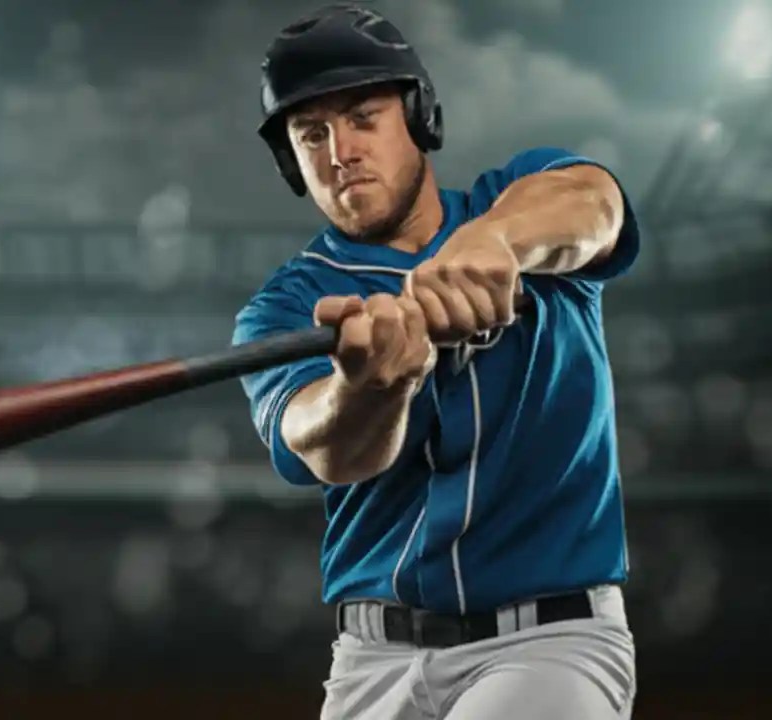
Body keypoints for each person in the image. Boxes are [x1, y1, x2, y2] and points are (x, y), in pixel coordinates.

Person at [232, 5, 641, 719]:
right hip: (371, 661)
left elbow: (593, 205)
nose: (340, 151)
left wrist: (497, 240)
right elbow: (323, 447)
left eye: (363, 117)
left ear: (418, 116)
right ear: (291, 160)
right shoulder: (285, 307)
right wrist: (371, 387)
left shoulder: (516, 194)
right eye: (312, 133)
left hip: (547, 643)